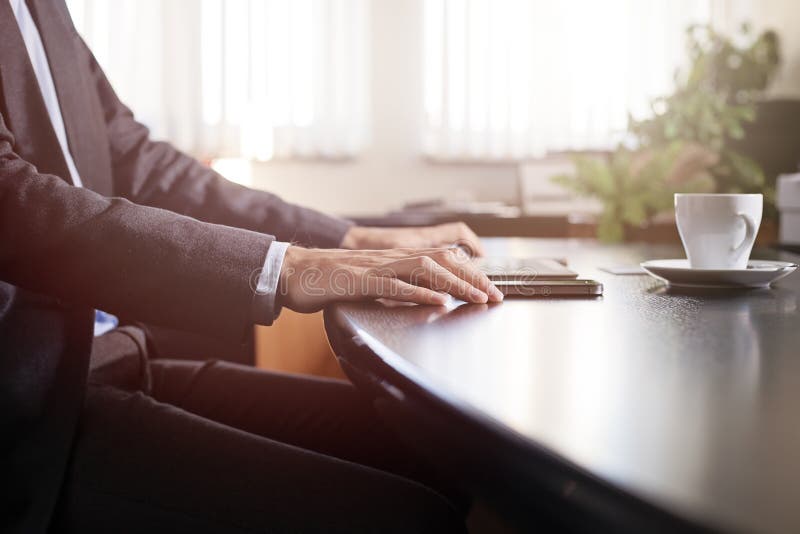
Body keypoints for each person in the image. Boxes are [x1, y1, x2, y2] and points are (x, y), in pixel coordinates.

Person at [0, 1, 504, 532]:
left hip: (112, 360)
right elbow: (13, 204)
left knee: (437, 451)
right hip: (29, 410)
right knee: (408, 519)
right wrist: (287, 268)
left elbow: (139, 162)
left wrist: (347, 238)